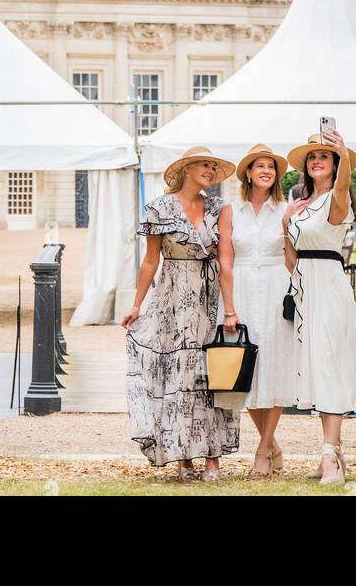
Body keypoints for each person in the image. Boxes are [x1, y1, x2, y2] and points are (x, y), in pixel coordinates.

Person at [121, 145, 240, 481]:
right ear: (186, 169)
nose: (210, 171)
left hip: (208, 299)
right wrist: (136, 304)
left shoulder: (220, 208)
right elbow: (150, 261)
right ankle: (182, 455)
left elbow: (226, 260)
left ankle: (213, 457)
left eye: (213, 167)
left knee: (210, 375)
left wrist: (230, 309)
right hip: (170, 300)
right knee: (175, 374)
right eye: (204, 165)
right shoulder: (159, 208)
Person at [284, 129, 356, 487]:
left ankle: (329, 456)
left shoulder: (336, 199)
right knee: (317, 366)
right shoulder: (299, 204)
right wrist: (286, 223)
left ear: (335, 164)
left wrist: (343, 152)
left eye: (323, 157)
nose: (315, 161)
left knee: (328, 364)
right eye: (312, 157)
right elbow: (290, 255)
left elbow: (342, 187)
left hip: (329, 285)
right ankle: (335, 451)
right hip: (304, 287)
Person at [216, 143, 295, 479]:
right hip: (243, 289)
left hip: (277, 286)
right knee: (244, 371)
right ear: (248, 172)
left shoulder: (287, 209)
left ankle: (262, 450)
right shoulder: (231, 210)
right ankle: (273, 444)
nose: (266, 171)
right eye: (259, 166)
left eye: (271, 167)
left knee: (274, 366)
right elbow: (225, 260)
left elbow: (293, 256)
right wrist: (230, 307)